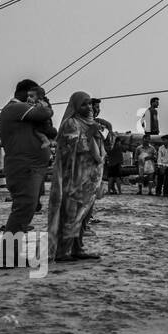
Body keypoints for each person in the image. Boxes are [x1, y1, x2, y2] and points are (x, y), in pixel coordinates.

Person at [47, 91, 105, 263]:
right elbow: (70, 149)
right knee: (72, 214)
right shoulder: (71, 123)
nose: (88, 107)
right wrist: (90, 134)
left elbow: (99, 148)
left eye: (89, 103)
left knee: (85, 214)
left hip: (91, 178)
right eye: (84, 104)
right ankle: (62, 251)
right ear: (75, 106)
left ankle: (77, 247)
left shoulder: (90, 122)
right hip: (75, 178)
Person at [0, 79, 56, 235]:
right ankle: (10, 256)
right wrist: (45, 103)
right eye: (33, 94)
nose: (35, 98)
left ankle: (12, 254)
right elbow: (45, 113)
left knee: (27, 209)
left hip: (31, 168)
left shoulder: (21, 110)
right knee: (23, 209)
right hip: (24, 168)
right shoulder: (15, 108)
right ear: (26, 92)